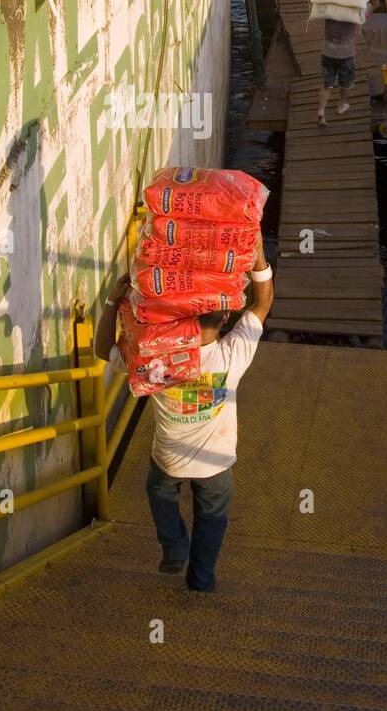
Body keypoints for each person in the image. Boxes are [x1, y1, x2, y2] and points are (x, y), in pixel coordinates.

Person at [95, 230, 274, 594]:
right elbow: (262, 304)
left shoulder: (157, 361)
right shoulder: (231, 356)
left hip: (169, 460)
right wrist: (258, 257)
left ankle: (174, 546)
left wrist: (113, 301)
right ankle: (201, 580)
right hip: (216, 462)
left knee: (159, 492)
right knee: (212, 519)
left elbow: (102, 349)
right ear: (225, 318)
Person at [317, 0, 379, 126]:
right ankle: (342, 105)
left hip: (327, 52)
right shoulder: (355, 12)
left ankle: (321, 111)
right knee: (345, 83)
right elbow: (376, 5)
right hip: (346, 54)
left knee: (327, 85)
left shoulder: (329, 10)